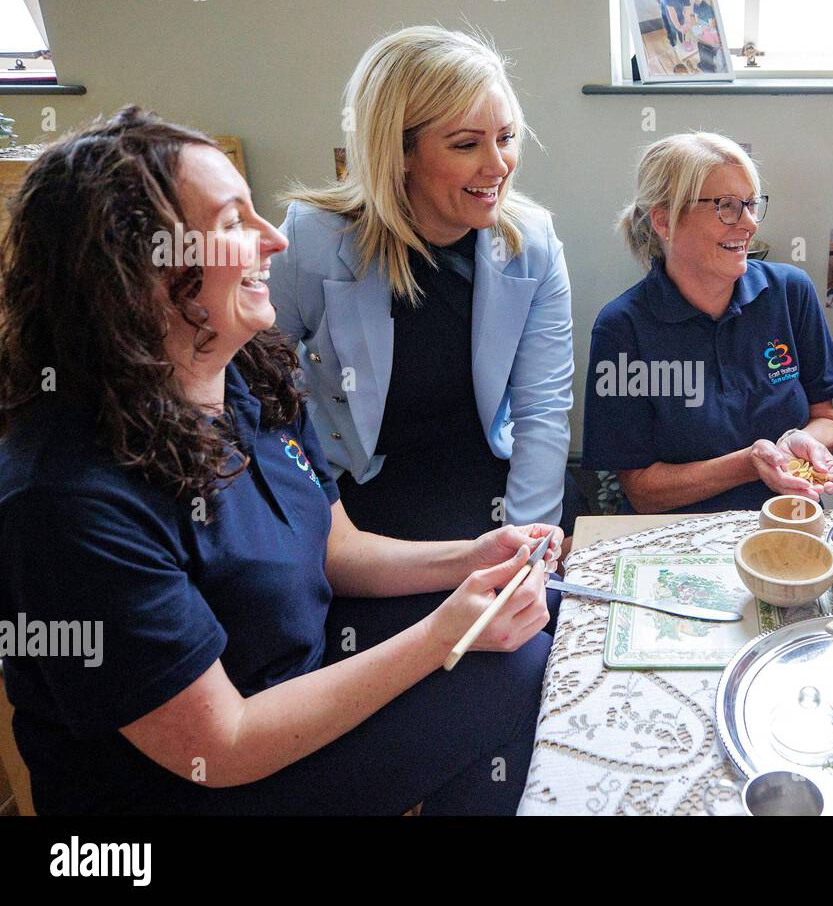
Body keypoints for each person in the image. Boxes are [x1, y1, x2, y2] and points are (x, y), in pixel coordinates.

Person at [0, 108, 562, 815]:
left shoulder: (244, 373)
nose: (271, 240)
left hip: (293, 679)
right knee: (511, 668)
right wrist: (441, 635)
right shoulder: (64, 500)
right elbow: (221, 743)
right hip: (187, 788)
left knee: (547, 613)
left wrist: (472, 556)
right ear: (133, 266)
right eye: (234, 222)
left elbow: (337, 546)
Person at [270, 26, 576, 544]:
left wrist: (527, 544)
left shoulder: (533, 242)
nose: (498, 166)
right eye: (466, 144)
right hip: (354, 490)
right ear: (400, 151)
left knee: (529, 622)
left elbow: (541, 409)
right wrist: (313, 506)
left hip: (489, 482)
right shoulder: (312, 239)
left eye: (505, 138)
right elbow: (251, 391)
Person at [583, 132, 833, 514]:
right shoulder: (623, 328)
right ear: (664, 221)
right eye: (726, 206)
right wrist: (749, 464)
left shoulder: (790, 293)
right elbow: (642, 490)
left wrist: (797, 442)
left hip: (786, 518)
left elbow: (825, 419)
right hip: (676, 535)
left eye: (751, 205)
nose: (749, 224)